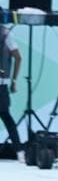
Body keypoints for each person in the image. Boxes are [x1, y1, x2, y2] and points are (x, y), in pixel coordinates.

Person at [0, 21, 24, 157]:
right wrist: (13, 81)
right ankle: (19, 151)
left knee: (6, 116)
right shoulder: (5, 33)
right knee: (6, 117)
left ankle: (19, 150)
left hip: (1, 83)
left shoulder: (5, 34)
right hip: (2, 83)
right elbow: (18, 58)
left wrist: (14, 81)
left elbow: (18, 57)